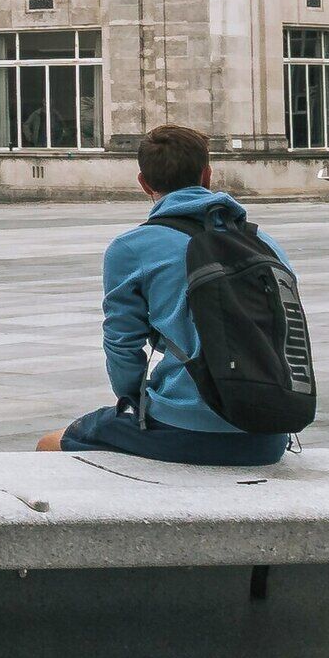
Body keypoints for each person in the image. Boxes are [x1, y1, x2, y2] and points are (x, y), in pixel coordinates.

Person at [37, 121, 296, 465]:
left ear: (144, 183)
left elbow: (122, 343)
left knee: (48, 445)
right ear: (207, 175)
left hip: (183, 428)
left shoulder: (133, 247)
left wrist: (135, 401)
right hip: (268, 432)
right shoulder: (264, 243)